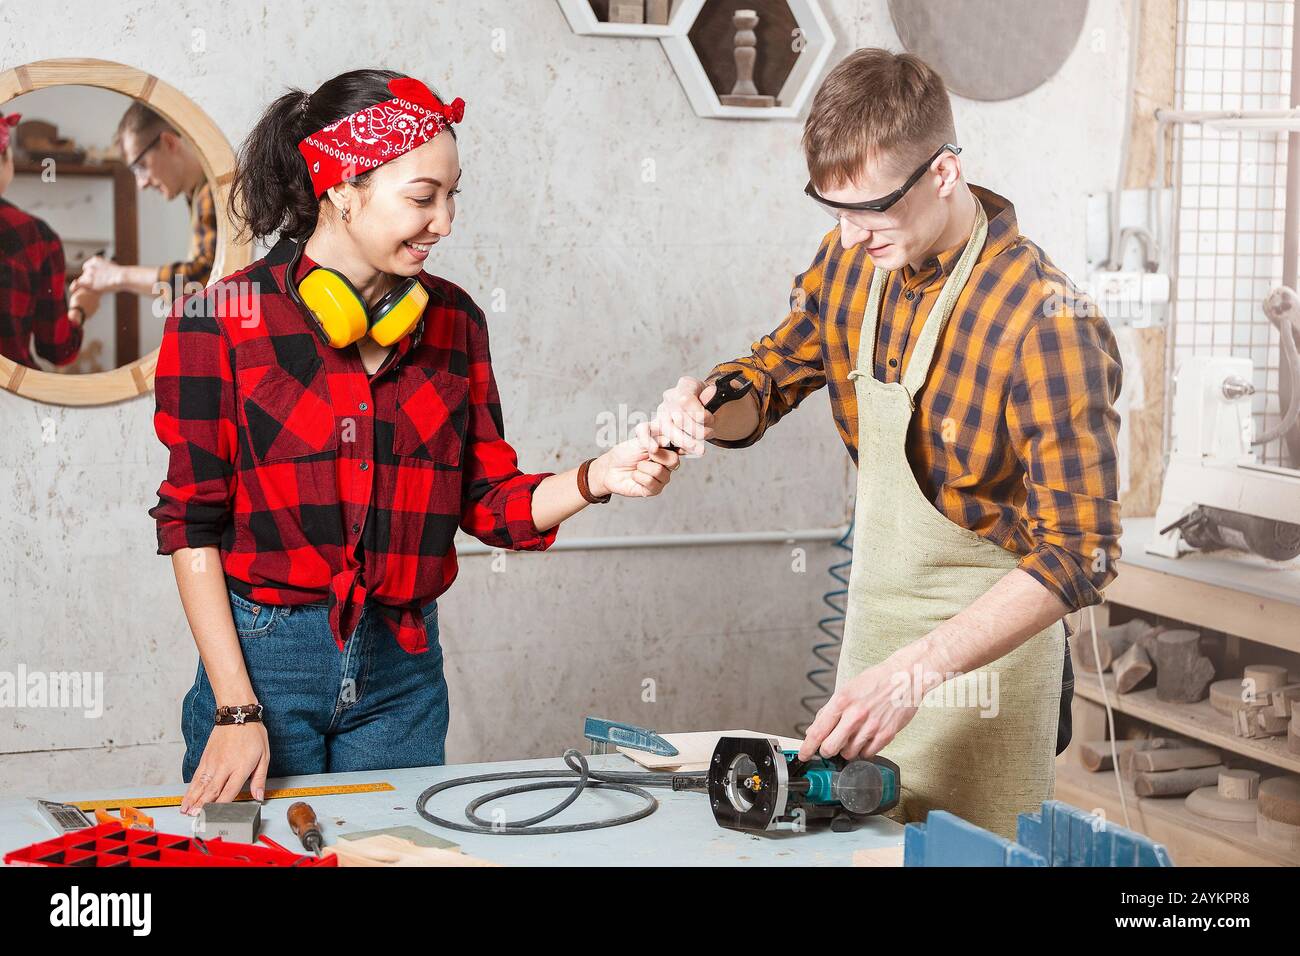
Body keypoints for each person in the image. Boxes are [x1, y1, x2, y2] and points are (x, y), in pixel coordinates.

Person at [149, 69, 680, 815]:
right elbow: (191, 525)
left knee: (393, 856)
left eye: (454, 195)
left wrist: (599, 477)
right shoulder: (218, 322)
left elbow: (491, 503)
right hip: (264, 663)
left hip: (403, 668)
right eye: (423, 198)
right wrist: (238, 709)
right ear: (340, 189)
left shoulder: (456, 322)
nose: (446, 222)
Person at [653, 49, 1122, 838]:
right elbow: (772, 375)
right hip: (874, 650)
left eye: (868, 209)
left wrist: (921, 670)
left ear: (943, 172)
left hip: (987, 675)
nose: (846, 233)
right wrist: (703, 405)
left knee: (970, 855)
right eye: (831, 207)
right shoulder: (851, 257)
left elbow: (1085, 553)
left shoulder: (1046, 321)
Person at [72, 103, 217, 308]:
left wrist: (117, 276)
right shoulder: (198, 195)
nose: (141, 184)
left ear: (168, 142)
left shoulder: (211, 193)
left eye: (141, 167)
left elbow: (206, 280)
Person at [0, 110, 94, 369]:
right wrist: (80, 309)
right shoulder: (35, 236)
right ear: (6, 157)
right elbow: (56, 350)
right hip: (13, 399)